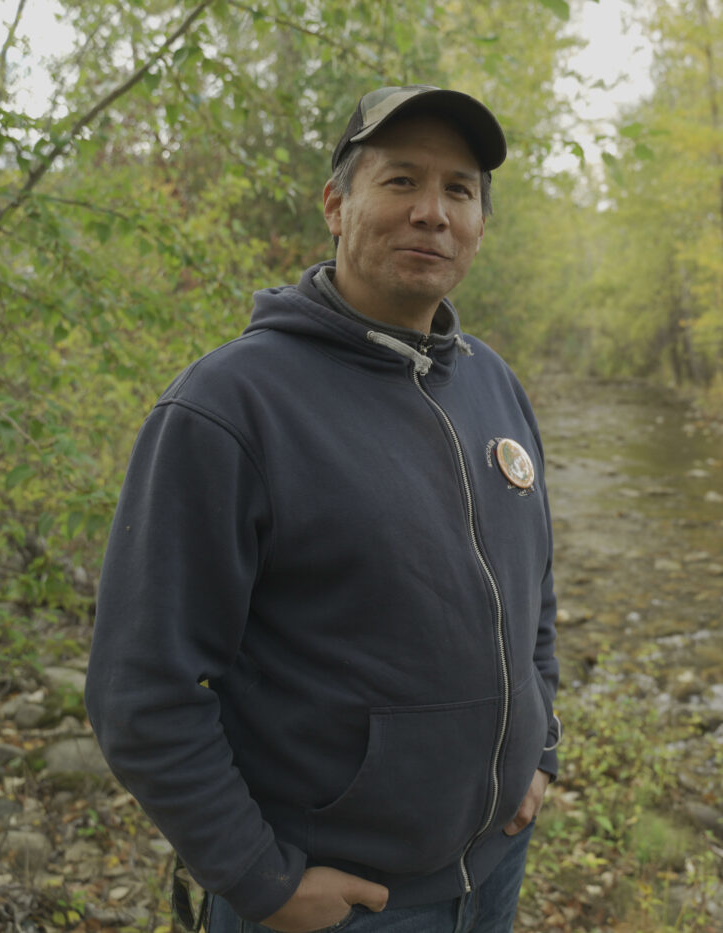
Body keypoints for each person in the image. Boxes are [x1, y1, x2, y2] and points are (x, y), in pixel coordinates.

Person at [85, 85, 561, 933]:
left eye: (459, 190)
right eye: (401, 181)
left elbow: (535, 600)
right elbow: (141, 688)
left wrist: (540, 753)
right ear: (338, 206)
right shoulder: (231, 407)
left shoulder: (493, 383)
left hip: (492, 867)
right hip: (340, 901)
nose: (432, 212)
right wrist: (259, 877)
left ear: (482, 223)